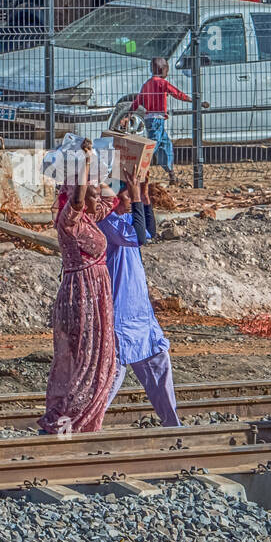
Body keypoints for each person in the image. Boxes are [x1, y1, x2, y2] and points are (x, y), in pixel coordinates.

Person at [40, 139, 117, 435]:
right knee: (84, 359)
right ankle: (73, 418)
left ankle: (81, 420)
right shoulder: (69, 220)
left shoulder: (89, 217)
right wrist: (85, 164)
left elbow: (113, 200)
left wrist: (99, 170)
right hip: (81, 296)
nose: (97, 197)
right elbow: (78, 198)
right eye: (91, 192)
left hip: (95, 294)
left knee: (95, 359)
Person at [98, 176, 181, 427]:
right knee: (112, 375)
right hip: (120, 311)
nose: (119, 198)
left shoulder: (123, 219)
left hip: (140, 313)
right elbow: (137, 237)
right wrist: (135, 198)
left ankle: (172, 425)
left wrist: (143, 196)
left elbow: (149, 232)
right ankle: (88, 425)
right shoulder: (107, 222)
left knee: (159, 360)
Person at [130, 57, 205, 186]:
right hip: (157, 120)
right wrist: (193, 100)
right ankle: (136, 173)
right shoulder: (163, 83)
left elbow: (138, 100)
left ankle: (171, 175)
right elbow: (177, 93)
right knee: (152, 146)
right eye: (167, 69)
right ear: (163, 69)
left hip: (151, 119)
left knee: (166, 145)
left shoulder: (146, 84)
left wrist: (130, 112)